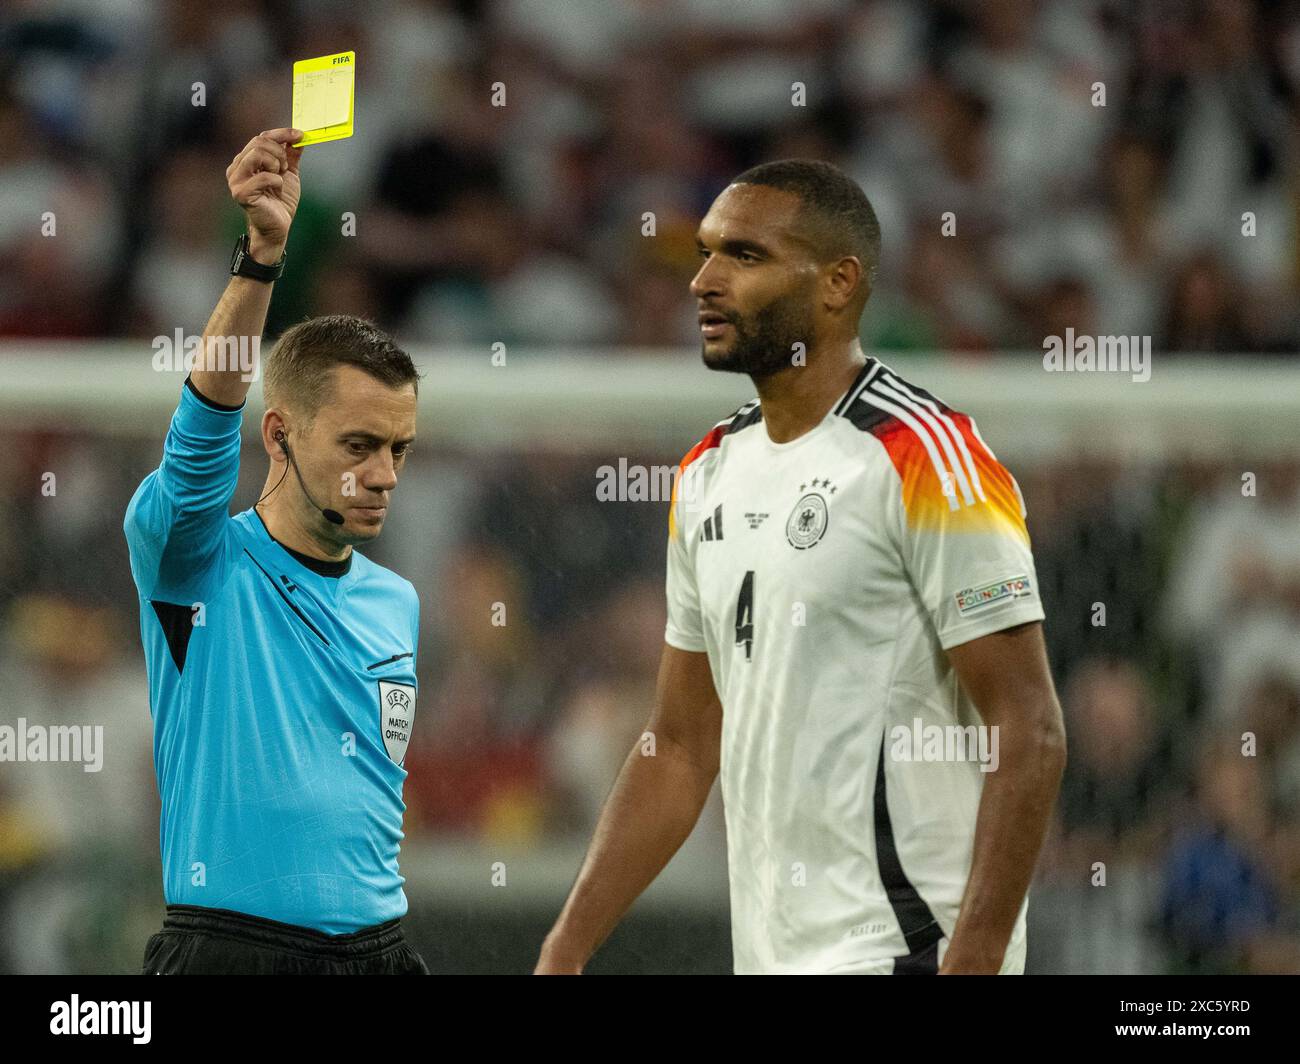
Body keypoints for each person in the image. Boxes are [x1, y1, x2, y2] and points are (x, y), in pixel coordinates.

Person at [537, 160, 1066, 975]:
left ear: (837, 283)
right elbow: (679, 747)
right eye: (706, 254)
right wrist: (566, 948)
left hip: (907, 951)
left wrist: (976, 959)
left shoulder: (925, 456)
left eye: (744, 257)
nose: (704, 281)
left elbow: (1028, 728)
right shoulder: (707, 471)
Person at [124, 129, 427, 974]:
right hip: (232, 953)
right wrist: (261, 259)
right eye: (359, 445)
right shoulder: (194, 560)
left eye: (399, 450)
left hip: (382, 951)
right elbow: (199, 438)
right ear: (281, 435)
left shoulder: (395, 599)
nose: (383, 474)